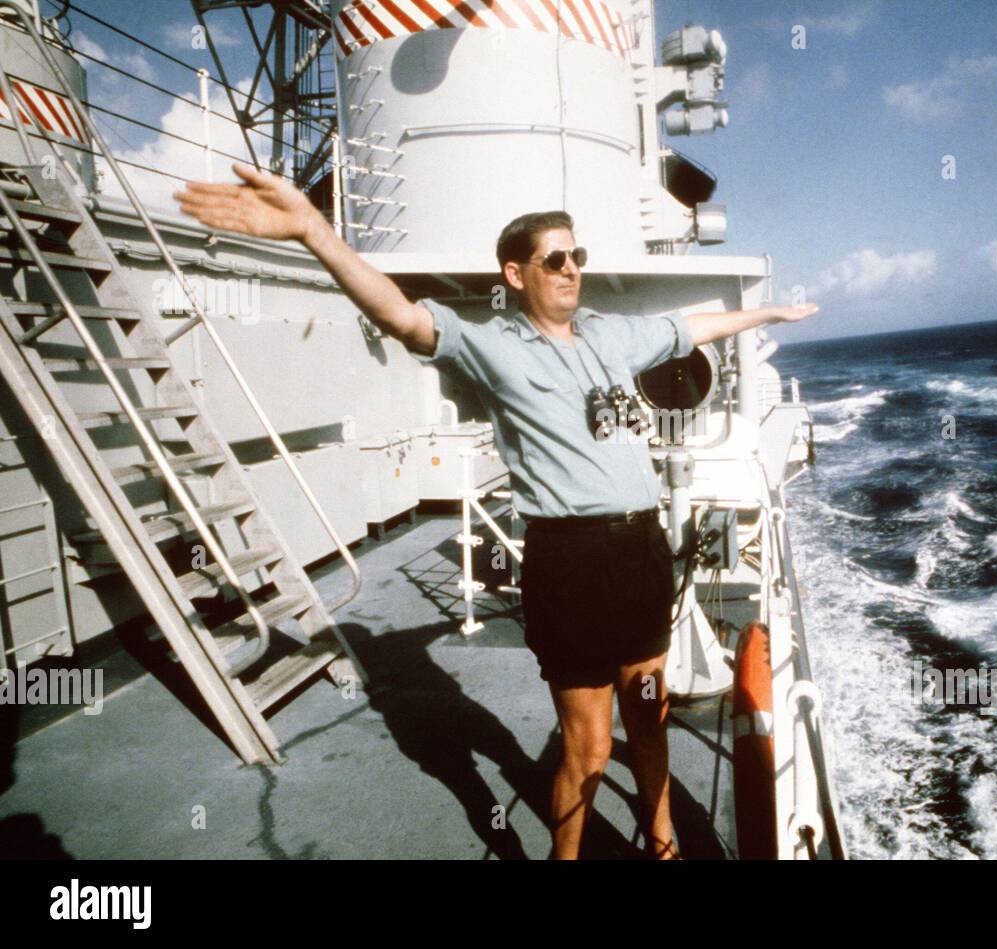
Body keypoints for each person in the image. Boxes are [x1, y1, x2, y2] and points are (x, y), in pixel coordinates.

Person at [174, 163, 819, 859]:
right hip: (570, 563)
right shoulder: (492, 346)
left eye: (579, 256)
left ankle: (661, 833)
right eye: (556, 259)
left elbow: (689, 325)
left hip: (641, 555)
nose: (573, 269)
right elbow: (399, 314)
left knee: (651, 714)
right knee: (591, 747)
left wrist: (768, 314)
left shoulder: (610, 335)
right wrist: (312, 230)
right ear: (517, 273)